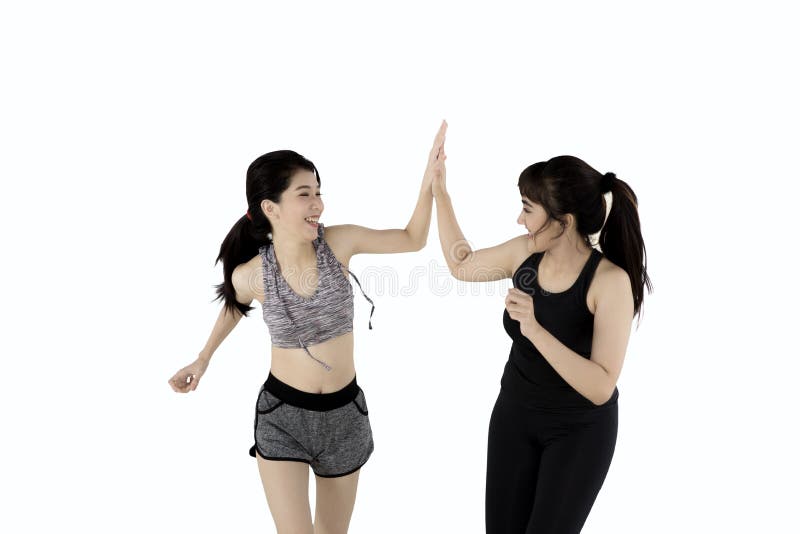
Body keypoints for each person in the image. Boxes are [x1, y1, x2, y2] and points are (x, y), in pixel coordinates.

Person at [168, 121, 447, 534]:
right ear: (271, 208)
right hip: (283, 417)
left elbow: (412, 238)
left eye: (319, 192)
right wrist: (203, 358)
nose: (318, 204)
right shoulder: (253, 274)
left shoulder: (339, 243)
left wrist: (429, 183)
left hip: (344, 417)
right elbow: (233, 305)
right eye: (305, 194)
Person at [432, 149, 651, 533]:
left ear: (564, 222)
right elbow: (461, 265)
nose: (520, 219)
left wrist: (535, 330)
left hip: (578, 431)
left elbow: (601, 386)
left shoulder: (608, 282)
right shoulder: (524, 252)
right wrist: (440, 191)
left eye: (527, 209)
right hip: (515, 417)